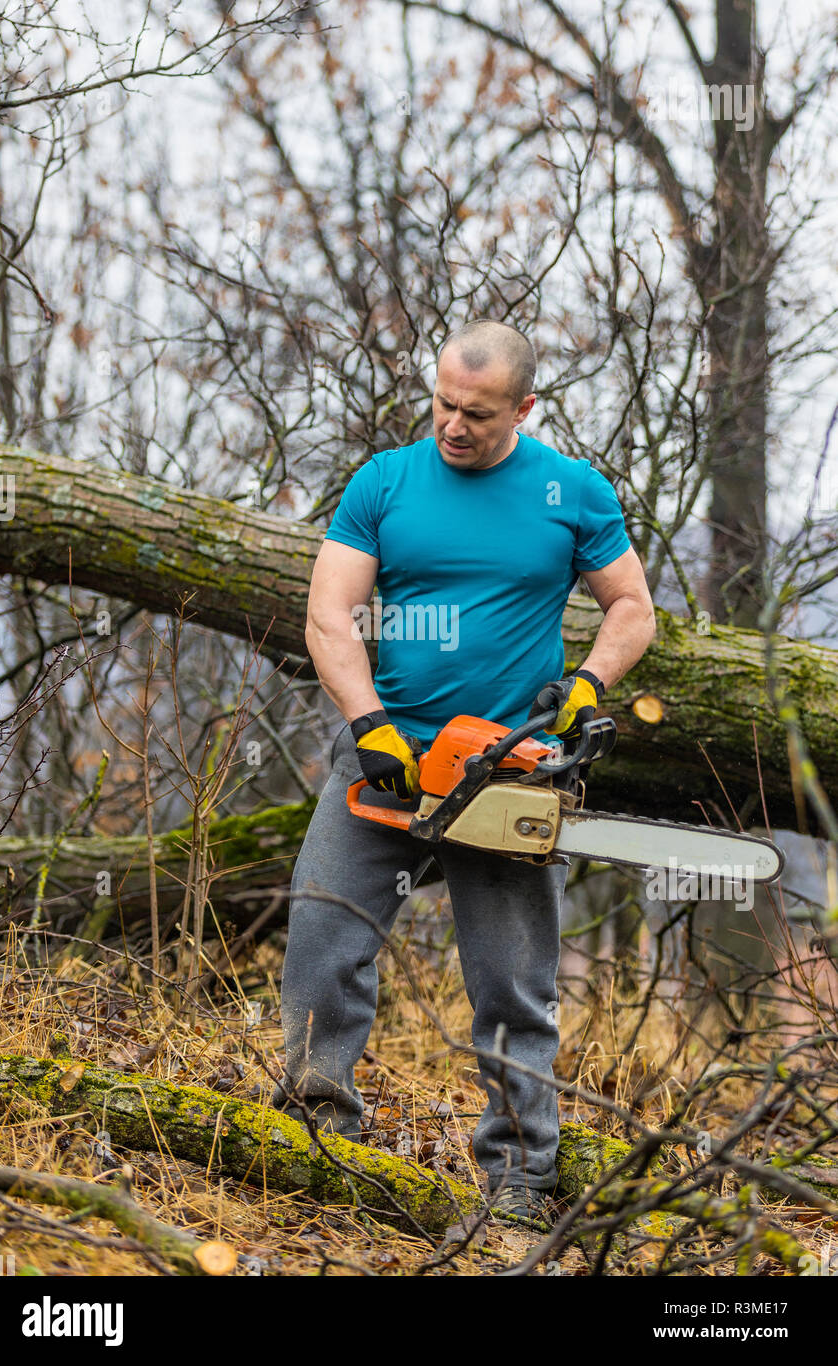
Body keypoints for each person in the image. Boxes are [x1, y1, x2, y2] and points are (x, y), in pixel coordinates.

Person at [271, 319, 656, 1226]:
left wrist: (591, 682)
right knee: (323, 948)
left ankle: (522, 1177)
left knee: (513, 986)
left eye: (476, 413)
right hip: (390, 762)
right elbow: (332, 615)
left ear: (523, 407)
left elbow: (633, 606)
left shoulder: (571, 491)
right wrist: (368, 724)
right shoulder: (385, 483)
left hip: (508, 774)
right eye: (443, 402)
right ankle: (318, 1134)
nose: (452, 424)